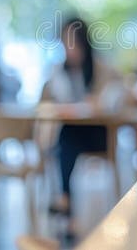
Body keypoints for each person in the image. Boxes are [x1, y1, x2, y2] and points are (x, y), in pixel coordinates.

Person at [39, 18, 117, 215]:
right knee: (67, 135)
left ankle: (64, 199)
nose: (69, 47)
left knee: (68, 137)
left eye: (74, 41)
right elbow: (48, 101)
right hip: (72, 131)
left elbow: (114, 98)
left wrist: (98, 103)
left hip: (100, 132)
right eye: (66, 41)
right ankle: (65, 199)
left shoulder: (102, 69)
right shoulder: (58, 71)